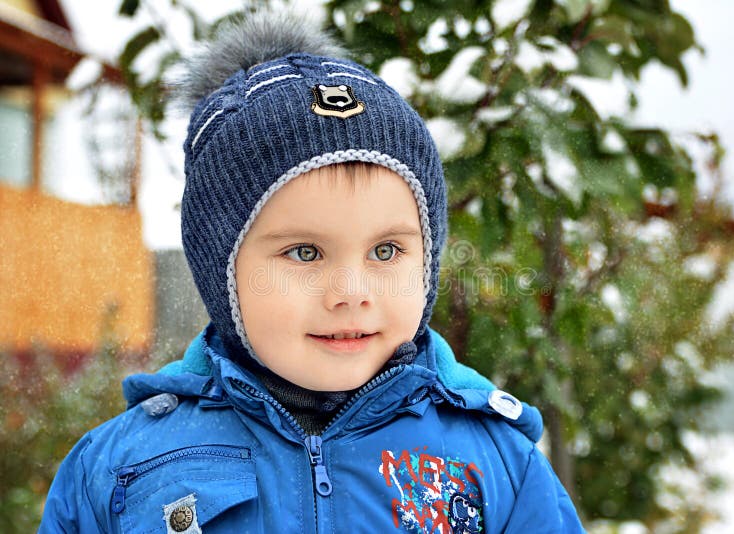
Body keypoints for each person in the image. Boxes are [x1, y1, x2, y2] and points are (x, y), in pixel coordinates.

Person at [40, 10, 584, 534]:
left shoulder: (495, 463)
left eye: (387, 251)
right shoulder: (122, 472)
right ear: (220, 272)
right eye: (305, 253)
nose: (351, 294)